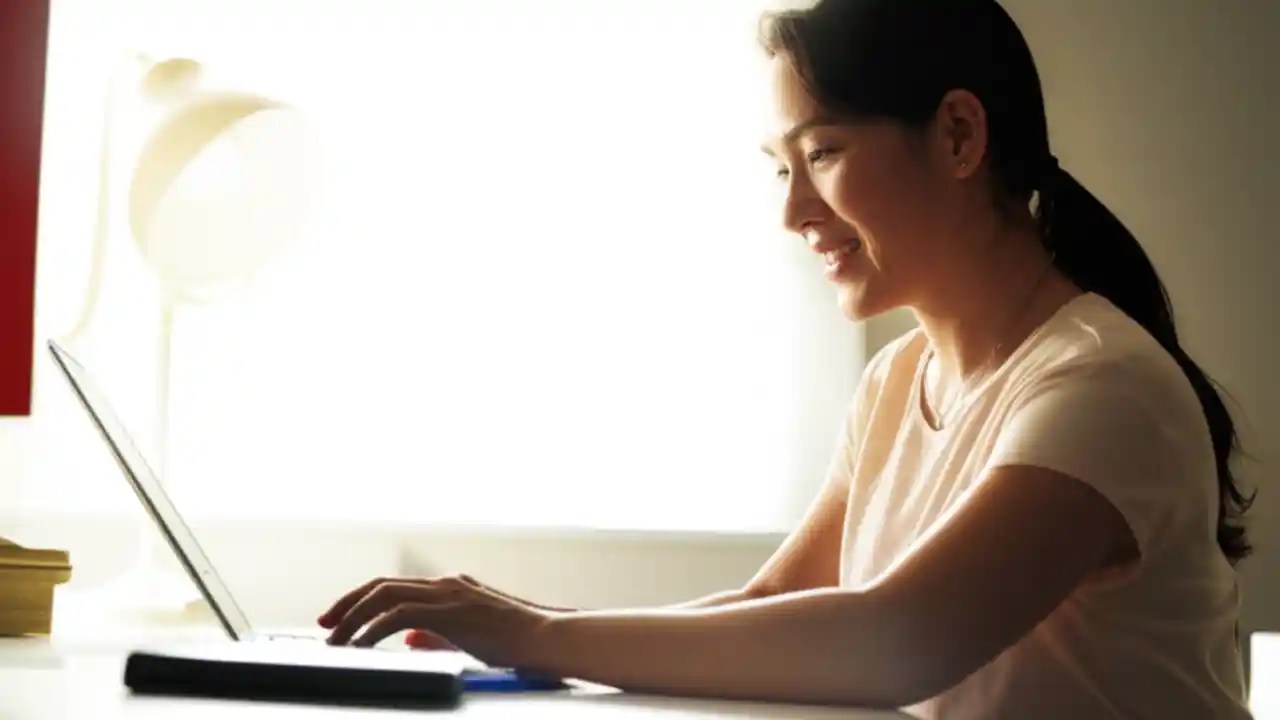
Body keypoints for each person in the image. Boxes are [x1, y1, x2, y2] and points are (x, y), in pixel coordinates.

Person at [316, 0, 1255, 716]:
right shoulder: (897, 382)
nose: (793, 211)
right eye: (781, 166)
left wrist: (538, 630)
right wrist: (520, 637)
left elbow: (898, 640)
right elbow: (774, 604)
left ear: (960, 136)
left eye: (825, 153)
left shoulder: (1099, 383)